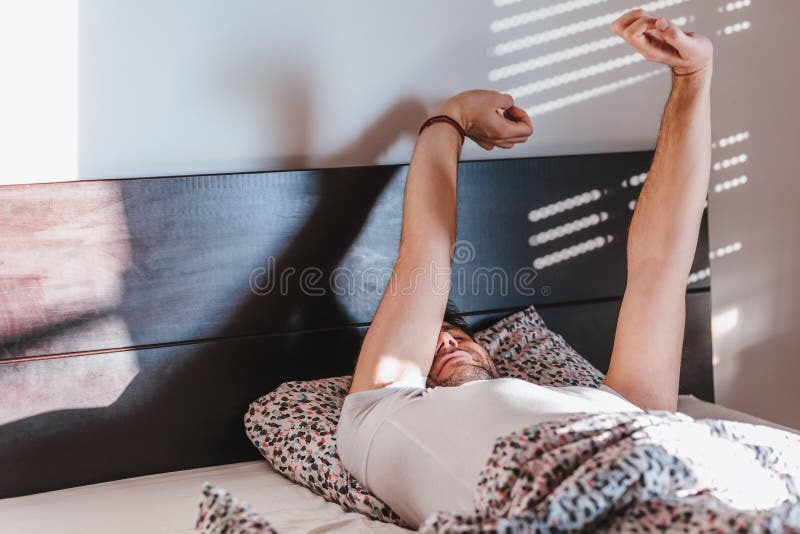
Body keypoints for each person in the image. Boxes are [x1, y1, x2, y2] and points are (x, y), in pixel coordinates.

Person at [337, 9, 714, 529]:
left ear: (492, 354)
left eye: (461, 337)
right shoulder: (374, 416)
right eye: (431, 337)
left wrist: (692, 77)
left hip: (702, 484)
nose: (445, 342)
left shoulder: (615, 402)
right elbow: (425, 257)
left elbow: (661, 270)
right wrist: (451, 119)